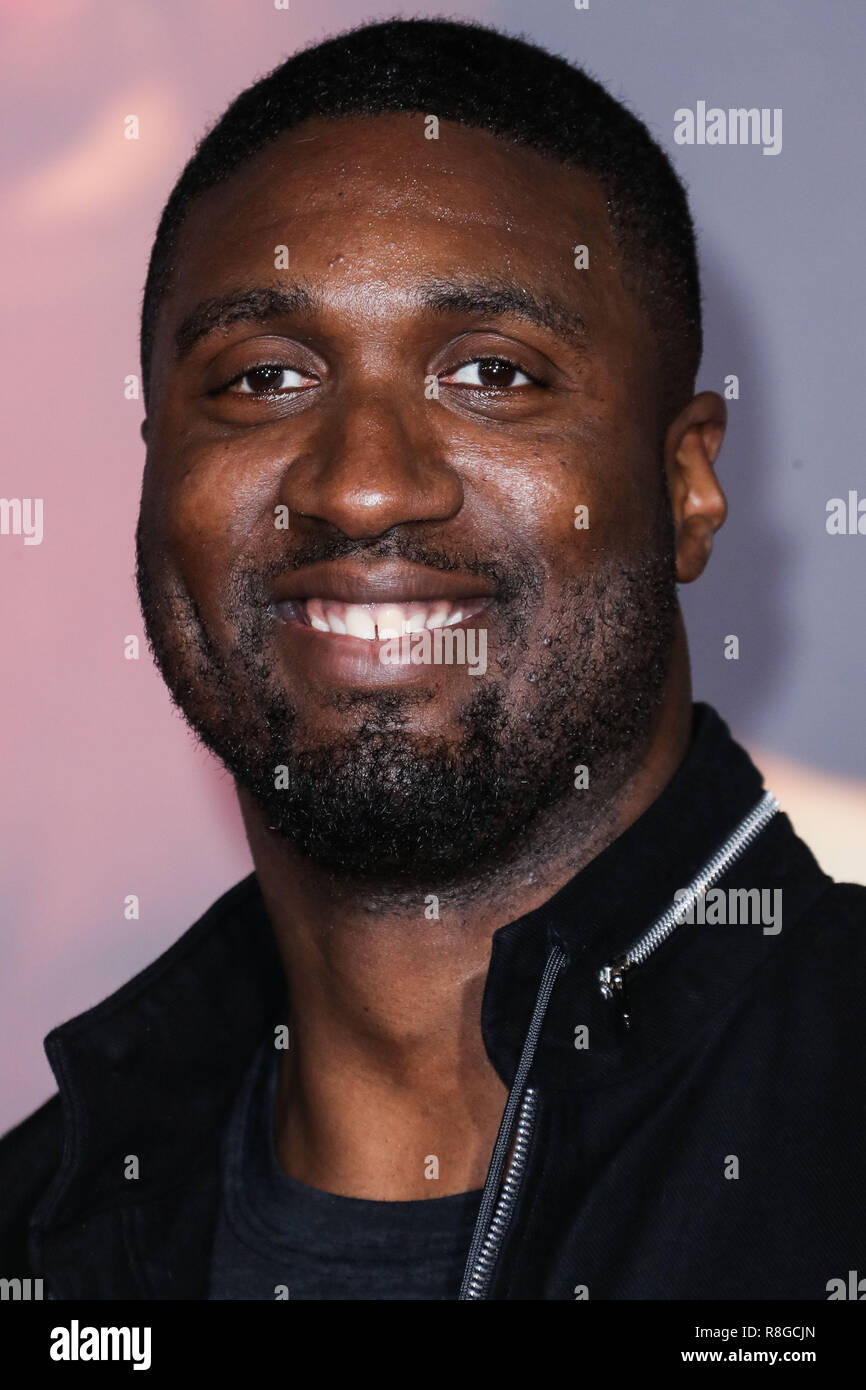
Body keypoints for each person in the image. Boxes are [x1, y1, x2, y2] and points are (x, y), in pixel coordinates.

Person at [1, 16, 862, 1302]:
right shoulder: (38, 1235)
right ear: (155, 474)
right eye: (262, 379)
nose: (360, 486)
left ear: (685, 487)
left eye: (492, 373)